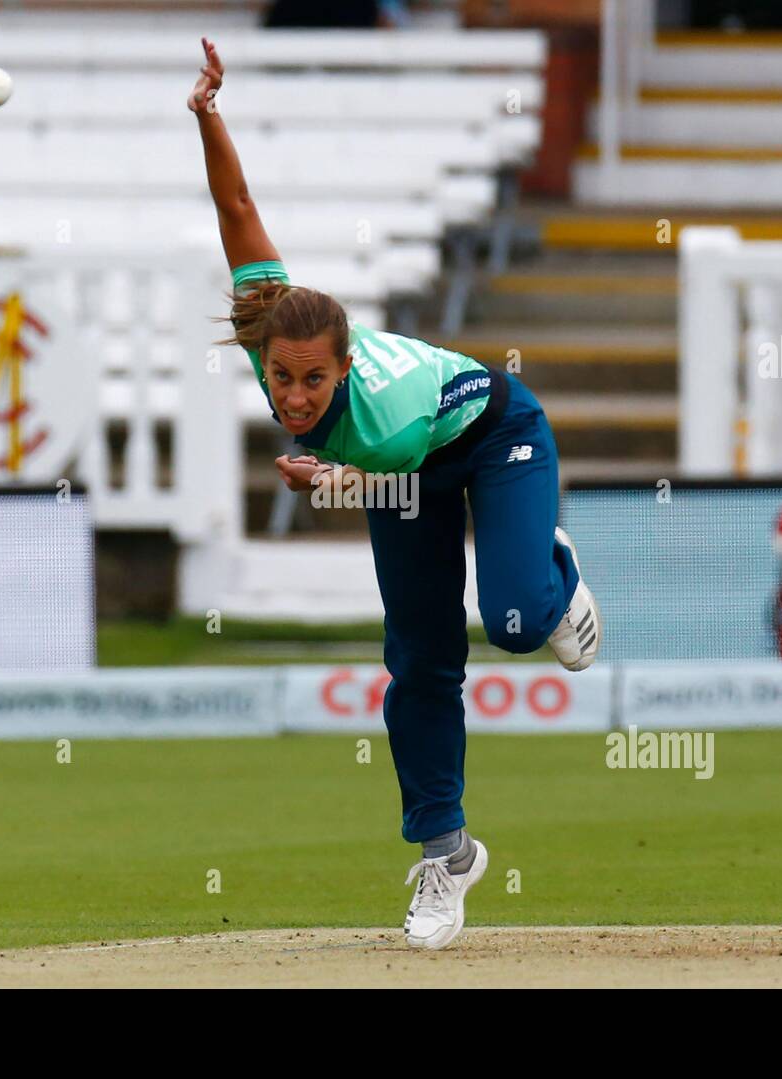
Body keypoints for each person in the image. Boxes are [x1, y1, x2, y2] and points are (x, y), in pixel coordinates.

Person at [189, 37, 602, 950]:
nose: (294, 398)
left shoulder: (381, 412)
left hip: (492, 436)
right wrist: (209, 114)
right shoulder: (274, 328)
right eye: (283, 380)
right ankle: (447, 856)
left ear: (344, 366)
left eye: (312, 383)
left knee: (519, 625)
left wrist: (333, 476)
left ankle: (552, 571)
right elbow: (237, 208)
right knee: (420, 663)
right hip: (398, 471)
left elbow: (390, 472)